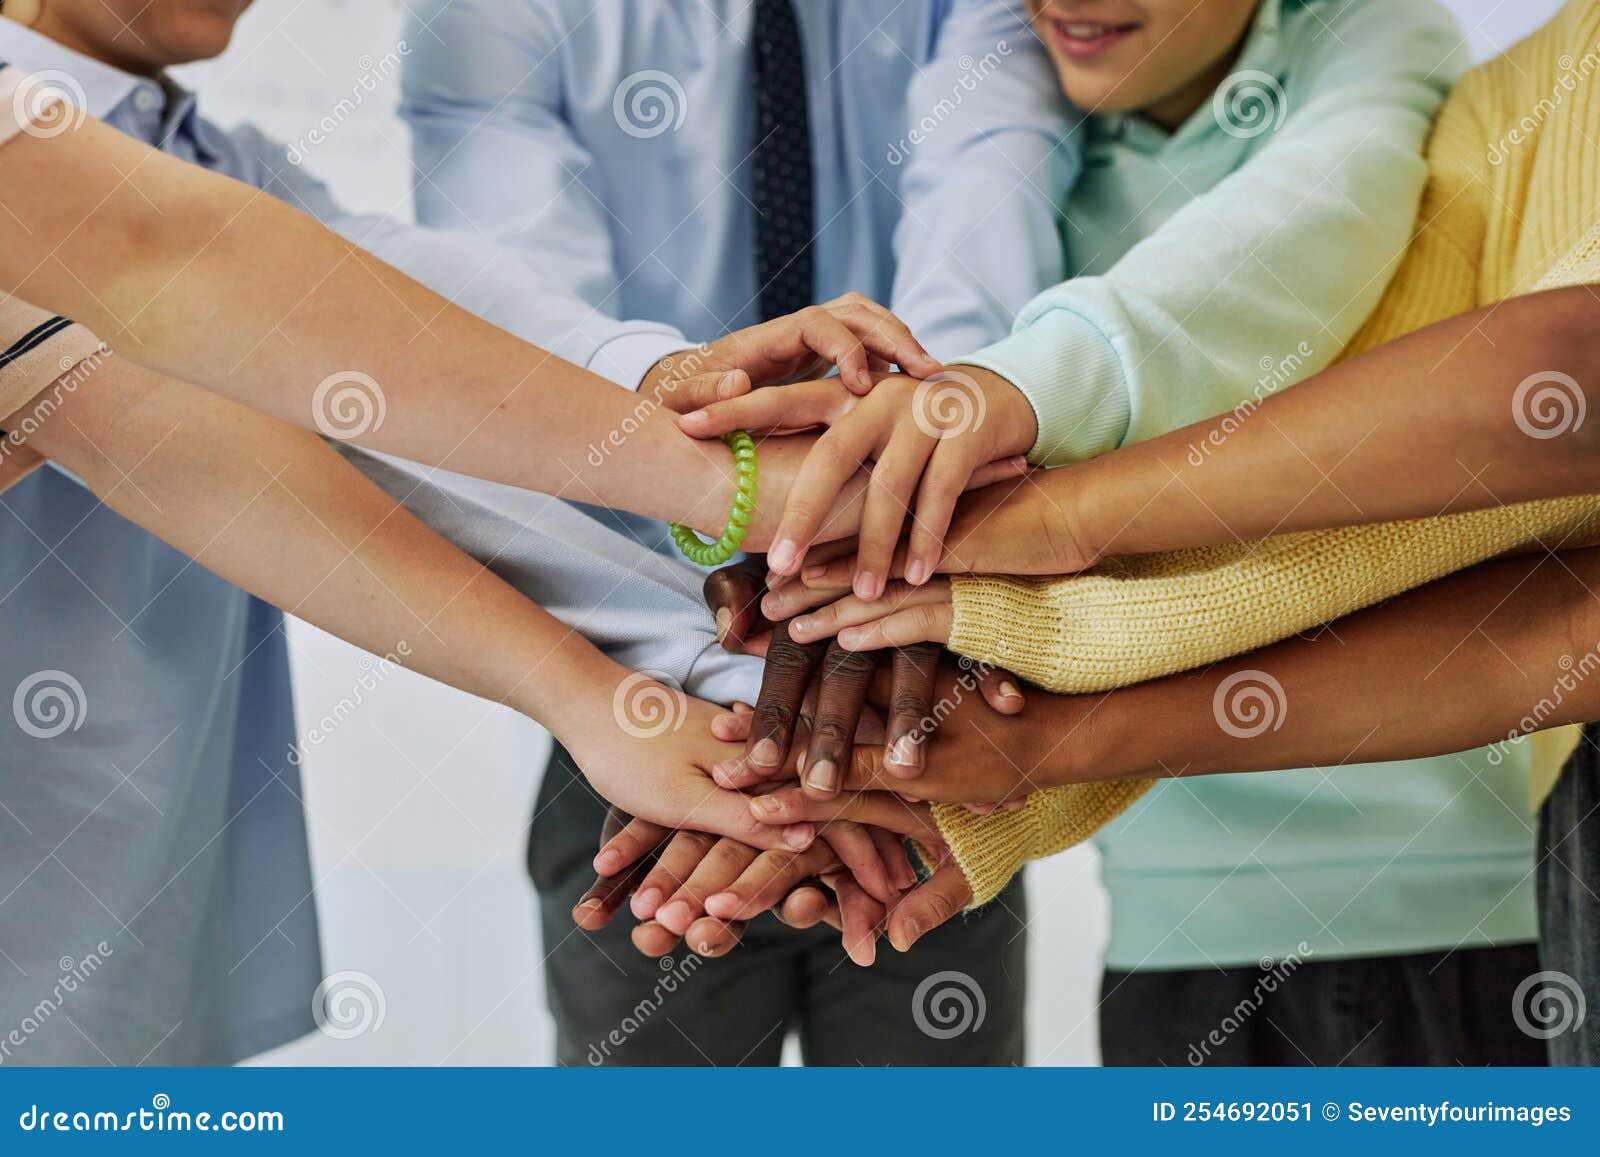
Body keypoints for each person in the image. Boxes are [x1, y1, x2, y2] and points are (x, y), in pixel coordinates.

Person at [0, 0, 969, 1063]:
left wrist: (639, 681)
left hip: (133, 901)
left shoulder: (209, 168)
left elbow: (327, 350)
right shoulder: (102, 208)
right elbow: (181, 334)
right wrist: (740, 513)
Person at [658, 0, 1517, 1066]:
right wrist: (820, 675)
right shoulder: (1016, 112)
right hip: (1169, 922)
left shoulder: (1366, 43)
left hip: (1447, 901)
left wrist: (1009, 393)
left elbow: (1300, 230)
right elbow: (959, 373)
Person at [400, 0, 1076, 1064]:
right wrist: (792, 660)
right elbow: (521, 369)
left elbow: (982, 247)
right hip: (658, 707)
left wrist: (888, 554)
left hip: (917, 686)